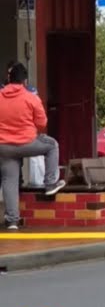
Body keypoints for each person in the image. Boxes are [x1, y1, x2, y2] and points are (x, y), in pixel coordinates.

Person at [0, 63, 66, 230]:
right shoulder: (31, 98)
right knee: (52, 145)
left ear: (9, 79)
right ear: (25, 80)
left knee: (9, 180)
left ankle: (12, 221)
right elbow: (42, 123)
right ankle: (50, 184)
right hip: (28, 143)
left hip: (4, 147)